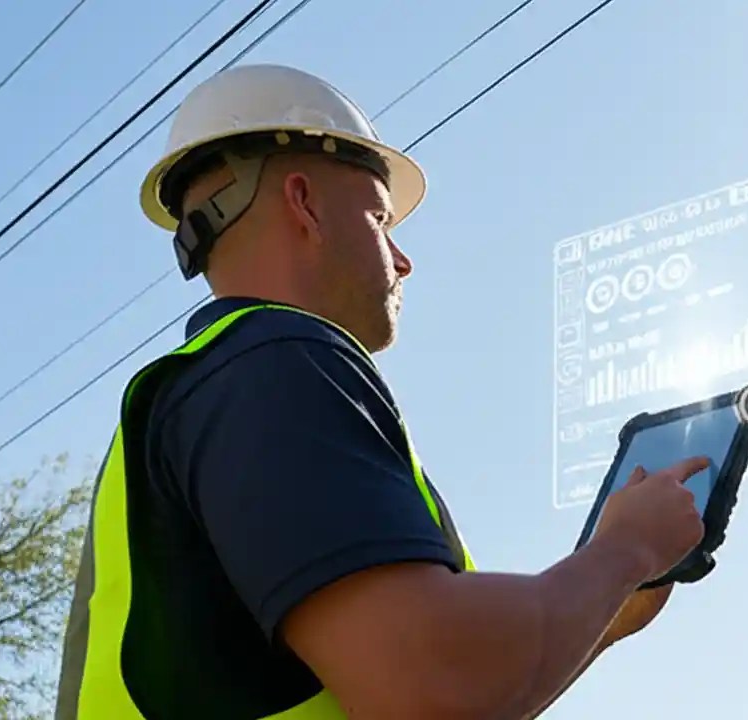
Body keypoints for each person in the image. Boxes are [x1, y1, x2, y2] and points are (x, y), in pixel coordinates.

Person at [53, 63, 709, 719]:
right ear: (303, 203)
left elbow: (464, 687)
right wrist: (626, 550)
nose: (402, 258)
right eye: (380, 218)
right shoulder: (273, 360)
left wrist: (606, 609)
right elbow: (430, 689)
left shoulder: (205, 389)